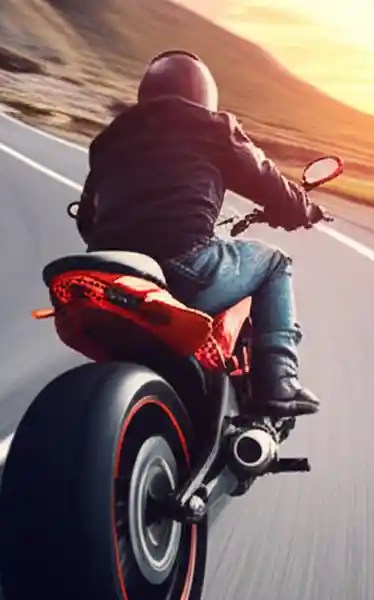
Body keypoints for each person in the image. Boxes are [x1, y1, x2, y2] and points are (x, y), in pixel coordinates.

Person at [73, 49, 327, 417]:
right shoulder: (213, 127)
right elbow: (266, 180)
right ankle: (278, 381)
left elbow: (87, 221)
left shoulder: (109, 140)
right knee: (274, 263)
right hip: (183, 263)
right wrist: (302, 208)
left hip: (112, 272)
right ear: (204, 95)